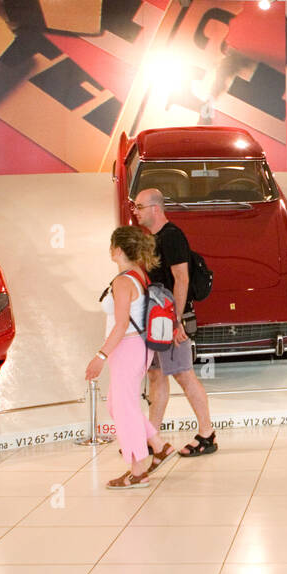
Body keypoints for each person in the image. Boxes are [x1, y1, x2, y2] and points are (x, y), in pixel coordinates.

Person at [85, 226, 175, 488]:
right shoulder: (139, 275)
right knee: (117, 404)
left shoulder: (123, 281)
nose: (110, 250)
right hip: (140, 347)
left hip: (127, 348)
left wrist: (100, 356)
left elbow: (121, 324)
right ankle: (158, 446)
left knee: (125, 408)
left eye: (112, 245)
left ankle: (138, 471)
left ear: (119, 250)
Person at [131, 188, 218, 457]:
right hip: (158, 318)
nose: (135, 211)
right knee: (156, 375)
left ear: (155, 208)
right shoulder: (155, 238)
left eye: (139, 206)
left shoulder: (172, 237)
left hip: (170, 319)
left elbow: (182, 279)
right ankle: (151, 435)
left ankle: (207, 433)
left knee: (183, 374)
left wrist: (176, 320)